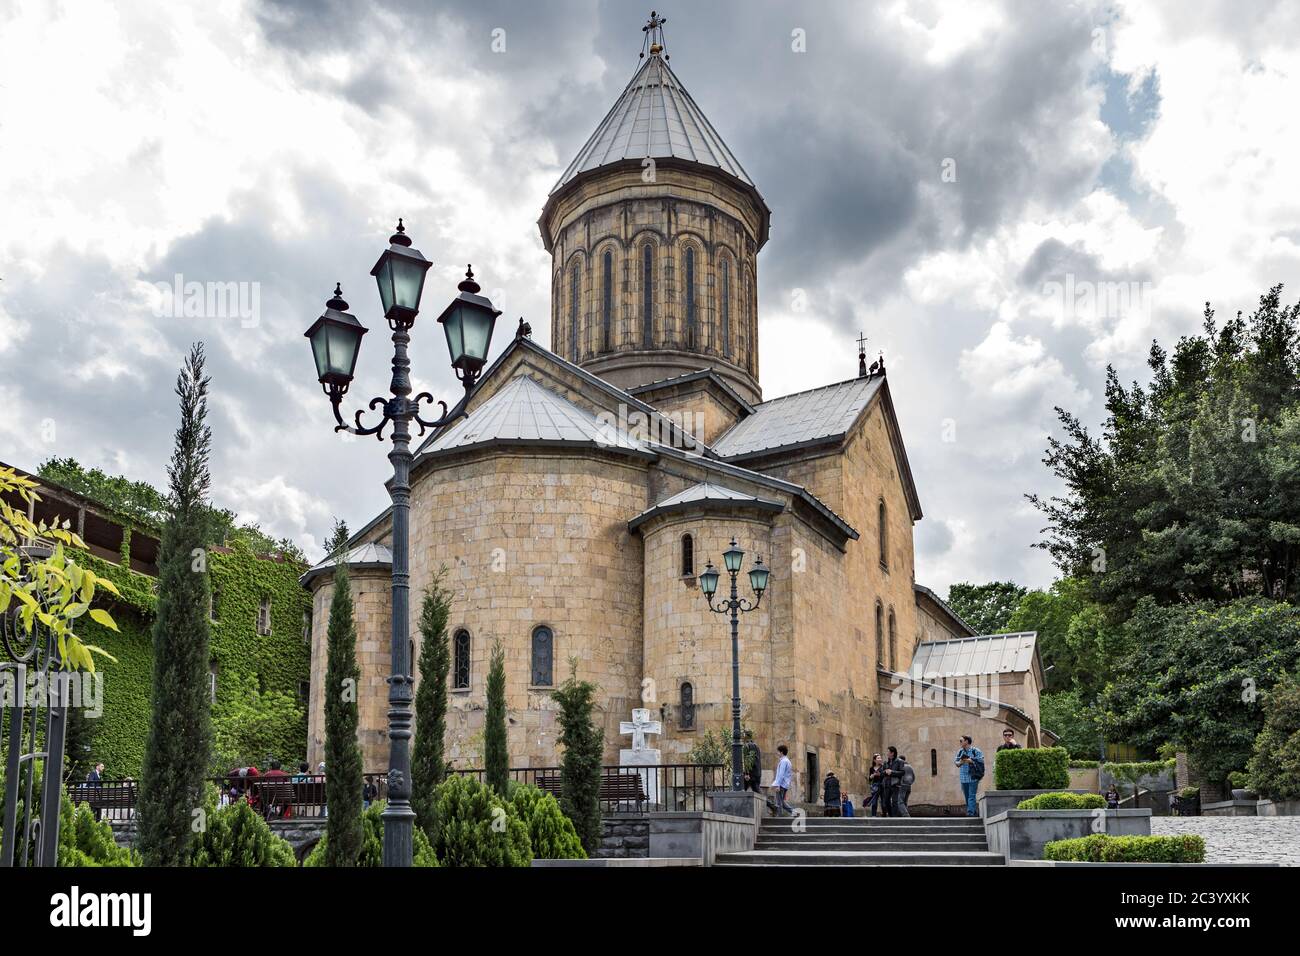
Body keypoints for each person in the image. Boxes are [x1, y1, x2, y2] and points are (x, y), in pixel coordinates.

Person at [954, 735, 985, 817]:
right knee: (967, 796)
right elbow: (956, 763)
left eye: (961, 741)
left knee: (971, 796)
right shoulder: (960, 752)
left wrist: (971, 760)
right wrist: (961, 762)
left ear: (966, 741)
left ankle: (970, 813)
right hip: (963, 778)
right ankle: (973, 811)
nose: (960, 742)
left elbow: (981, 760)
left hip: (973, 777)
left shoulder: (975, 750)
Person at [881, 746, 906, 816]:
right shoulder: (886, 763)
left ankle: (894, 819)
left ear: (892, 753)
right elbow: (882, 773)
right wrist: (885, 772)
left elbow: (902, 772)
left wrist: (892, 772)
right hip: (887, 785)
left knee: (895, 802)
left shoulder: (900, 762)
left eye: (888, 752)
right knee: (886, 802)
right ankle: (891, 816)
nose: (887, 753)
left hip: (895, 784)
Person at [772, 745, 794, 816]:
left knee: (779, 802)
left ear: (781, 752)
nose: (777, 753)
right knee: (782, 802)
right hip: (785, 784)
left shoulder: (784, 761)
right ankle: (794, 812)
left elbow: (781, 774)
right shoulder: (787, 761)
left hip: (781, 784)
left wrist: (777, 785)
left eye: (778, 752)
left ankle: (779, 818)